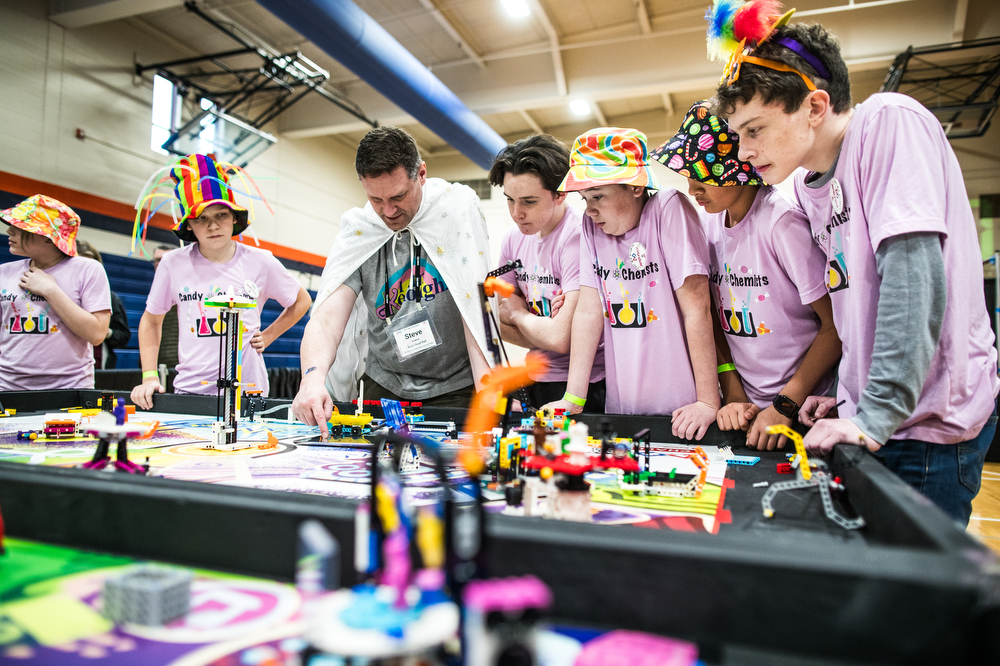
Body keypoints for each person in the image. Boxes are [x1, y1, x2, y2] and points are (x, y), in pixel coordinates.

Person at [709, 1, 999, 523]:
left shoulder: (888, 121)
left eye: (754, 129)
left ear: (815, 107)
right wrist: (847, 397)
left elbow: (913, 279)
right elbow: (851, 305)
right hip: (875, 419)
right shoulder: (805, 184)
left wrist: (875, 413)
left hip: (924, 427)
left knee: (915, 597)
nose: (744, 152)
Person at [652, 100, 840, 450]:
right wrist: (735, 394)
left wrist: (786, 404)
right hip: (747, 410)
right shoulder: (708, 224)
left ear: (735, 166)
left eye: (701, 175)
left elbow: (834, 328)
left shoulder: (780, 224)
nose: (692, 189)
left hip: (803, 411)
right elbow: (713, 318)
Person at [292, 126, 492, 434]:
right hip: (385, 384)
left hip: (454, 384)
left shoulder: (454, 210)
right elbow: (326, 318)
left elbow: (474, 304)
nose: (389, 210)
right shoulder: (360, 229)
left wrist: (488, 388)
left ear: (421, 173)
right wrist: (312, 378)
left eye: (399, 195)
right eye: (375, 199)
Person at [546, 128, 719, 440]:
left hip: (683, 408)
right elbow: (588, 310)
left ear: (636, 186)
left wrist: (707, 400)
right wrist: (573, 398)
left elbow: (698, 308)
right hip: (623, 405)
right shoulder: (590, 226)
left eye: (598, 196)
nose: (590, 209)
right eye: (585, 199)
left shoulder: (668, 209)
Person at [130, 154, 312, 408]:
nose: (212, 225)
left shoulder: (261, 261)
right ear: (188, 225)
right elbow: (151, 320)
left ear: (235, 218)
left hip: (249, 391)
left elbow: (302, 301)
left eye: (220, 215)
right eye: (201, 218)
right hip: (192, 391)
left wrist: (268, 336)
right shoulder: (172, 263)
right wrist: (149, 376)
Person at [488, 134, 606, 413]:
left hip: (588, 385)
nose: (516, 213)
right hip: (535, 376)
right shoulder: (512, 239)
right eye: (510, 200)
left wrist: (519, 315)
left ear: (560, 193)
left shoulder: (579, 236)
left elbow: (560, 339)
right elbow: (493, 320)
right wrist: (545, 328)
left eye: (529, 201)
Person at [0, 195, 111, 390]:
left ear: (48, 238)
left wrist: (51, 291)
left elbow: (96, 334)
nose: (9, 231)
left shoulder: (88, 269)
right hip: (8, 387)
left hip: (69, 389)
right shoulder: (4, 272)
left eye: (20, 227)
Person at [75, 240, 130, 369]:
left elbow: (123, 337)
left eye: (91, 265)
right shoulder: (60, 293)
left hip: (100, 366)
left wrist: (105, 332)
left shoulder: (111, 297)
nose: (86, 271)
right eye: (80, 265)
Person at [151, 244, 179, 371]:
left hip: (180, 367)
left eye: (165, 260)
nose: (161, 264)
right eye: (157, 260)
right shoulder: (154, 291)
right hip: (158, 367)